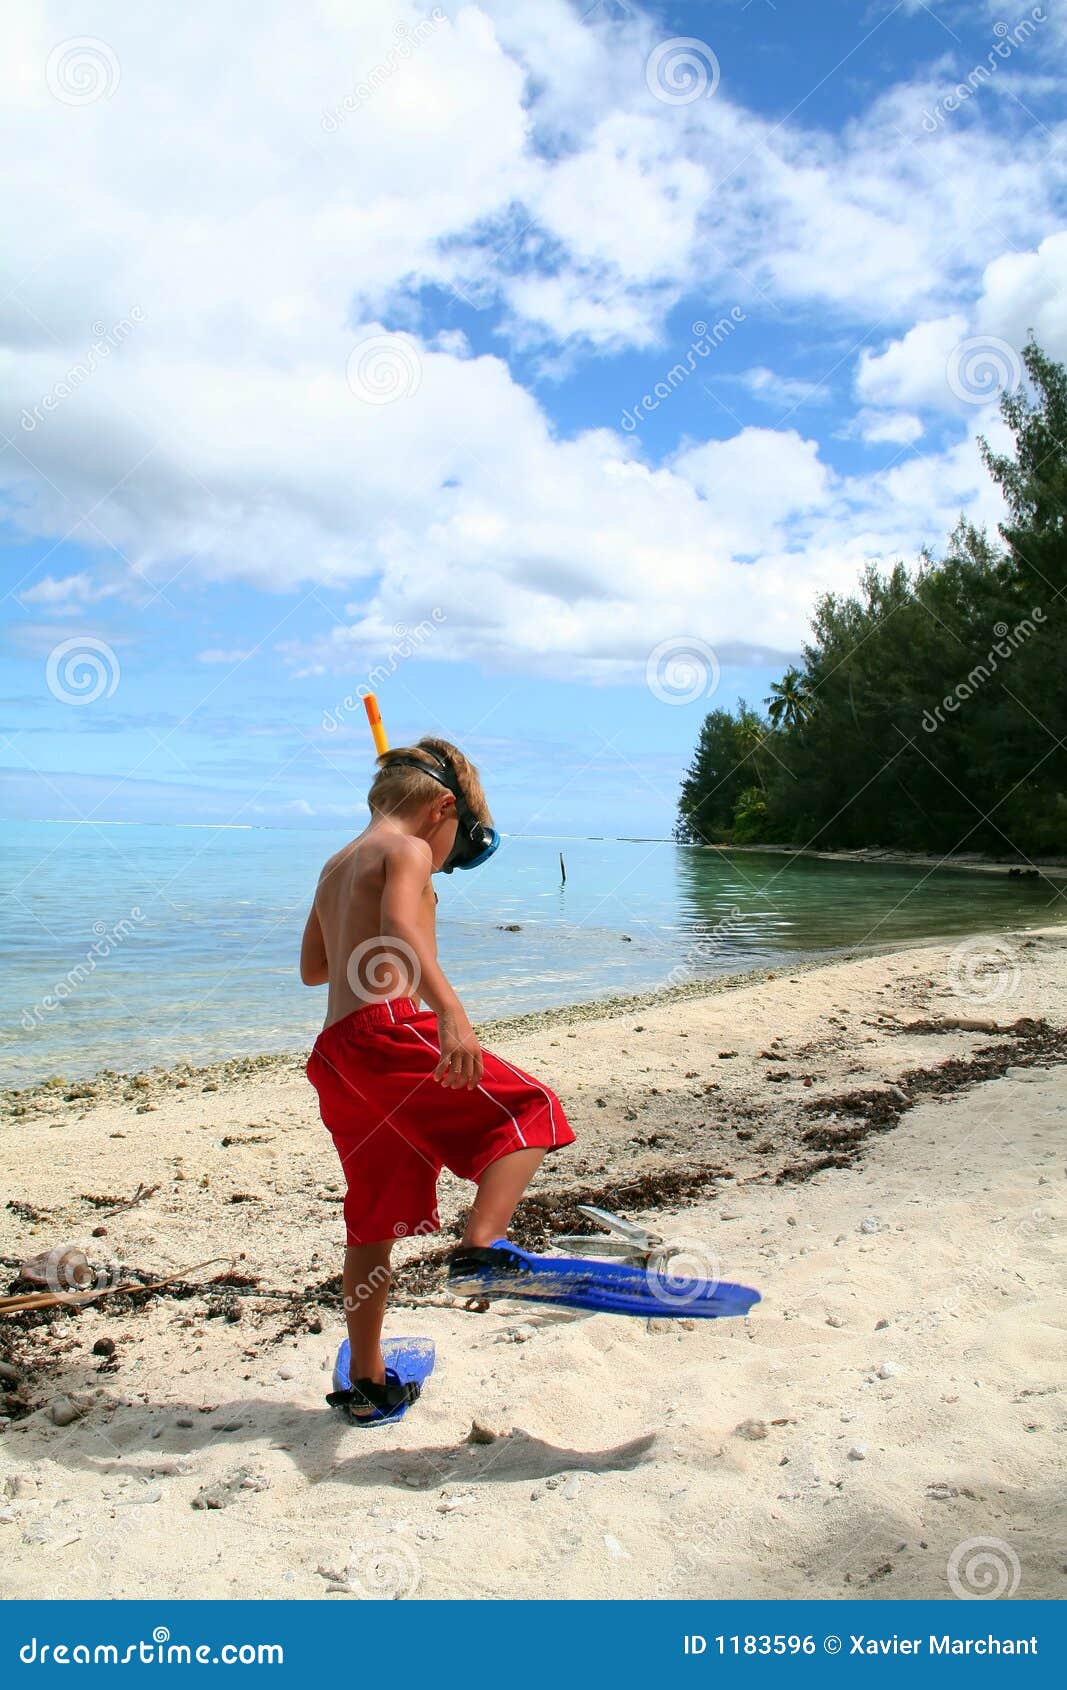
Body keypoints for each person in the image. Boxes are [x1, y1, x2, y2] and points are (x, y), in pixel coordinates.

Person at [301, 736, 575, 1420]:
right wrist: (449, 1012)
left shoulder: (336, 864)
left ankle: (367, 1379)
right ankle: (481, 1247)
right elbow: (397, 923)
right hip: (387, 1032)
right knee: (529, 1112)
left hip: (337, 1055)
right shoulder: (409, 849)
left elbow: (313, 966)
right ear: (441, 810)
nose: (446, 861)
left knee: (372, 1219)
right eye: (456, 842)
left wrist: (373, 928)